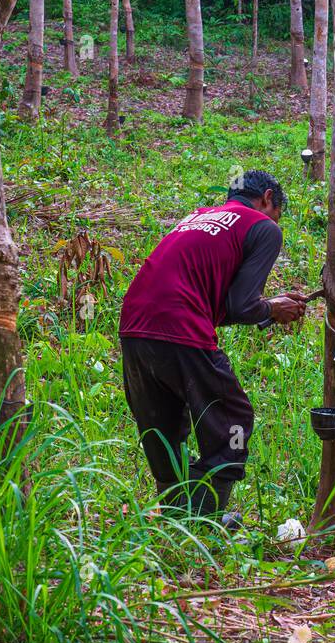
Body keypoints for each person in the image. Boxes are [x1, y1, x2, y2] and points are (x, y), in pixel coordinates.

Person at [119, 169, 306, 527]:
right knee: (233, 419)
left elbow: (216, 299)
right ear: (268, 198)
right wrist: (273, 309)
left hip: (133, 326)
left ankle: (176, 517)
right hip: (181, 326)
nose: (274, 220)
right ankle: (205, 519)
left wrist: (267, 308)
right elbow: (242, 305)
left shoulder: (199, 217)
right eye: (276, 212)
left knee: (164, 426)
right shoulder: (264, 227)